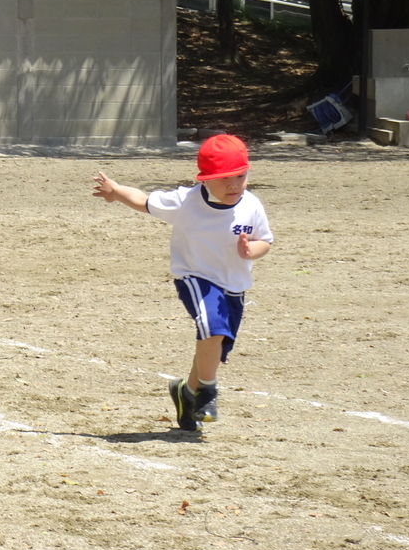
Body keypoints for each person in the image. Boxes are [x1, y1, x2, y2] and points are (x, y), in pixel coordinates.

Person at [91, 134, 274, 431]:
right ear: (204, 180)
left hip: (234, 285)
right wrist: (116, 191)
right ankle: (208, 392)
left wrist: (251, 250)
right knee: (211, 327)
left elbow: (264, 241)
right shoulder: (186, 201)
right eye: (225, 178)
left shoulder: (251, 205)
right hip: (195, 277)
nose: (234, 185)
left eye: (240, 177)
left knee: (213, 342)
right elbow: (144, 201)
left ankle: (187, 392)